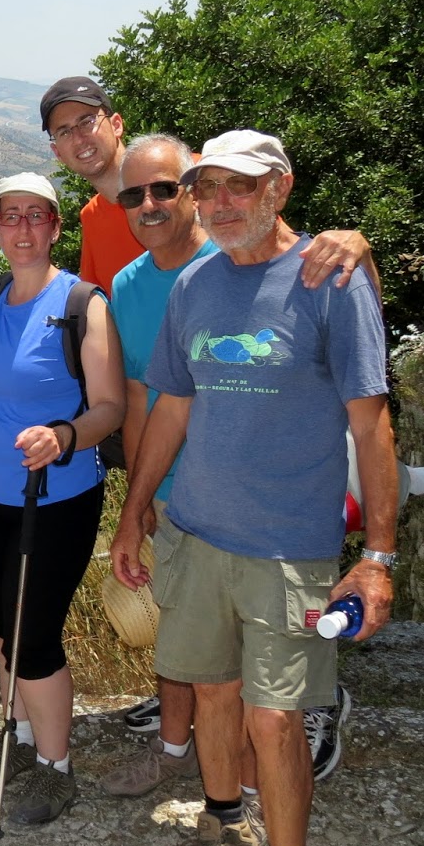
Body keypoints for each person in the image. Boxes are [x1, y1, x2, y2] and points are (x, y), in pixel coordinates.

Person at [111, 130, 398, 846]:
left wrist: (376, 554)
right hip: (198, 532)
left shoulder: (328, 279)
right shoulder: (194, 283)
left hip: (290, 548)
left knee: (276, 719)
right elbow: (171, 409)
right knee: (212, 694)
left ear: (280, 188)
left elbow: (370, 421)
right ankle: (221, 827)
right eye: (209, 189)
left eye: (240, 187)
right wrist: (133, 515)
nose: (221, 203)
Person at [100, 135, 376, 797]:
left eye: (166, 189)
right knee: (195, 661)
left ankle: (273, 799)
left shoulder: (253, 255)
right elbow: (152, 401)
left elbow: (337, 312)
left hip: (276, 514)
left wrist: (357, 244)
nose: (151, 205)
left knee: (265, 699)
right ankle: (184, 762)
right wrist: (136, 510)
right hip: (182, 500)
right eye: (134, 195)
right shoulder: (134, 285)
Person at [0, 173, 124, 824]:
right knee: (5, 631)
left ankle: (56, 769)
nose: (23, 228)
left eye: (37, 216)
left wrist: (64, 435)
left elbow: (110, 407)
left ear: (56, 228)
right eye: (10, 217)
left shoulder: (85, 304)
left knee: (35, 640)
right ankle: (20, 745)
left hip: (56, 499)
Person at [38, 76, 144, 297]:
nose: (79, 139)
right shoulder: (92, 218)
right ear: (57, 152)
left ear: (116, 125)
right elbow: (96, 307)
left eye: (87, 122)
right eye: (65, 132)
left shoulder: (190, 179)